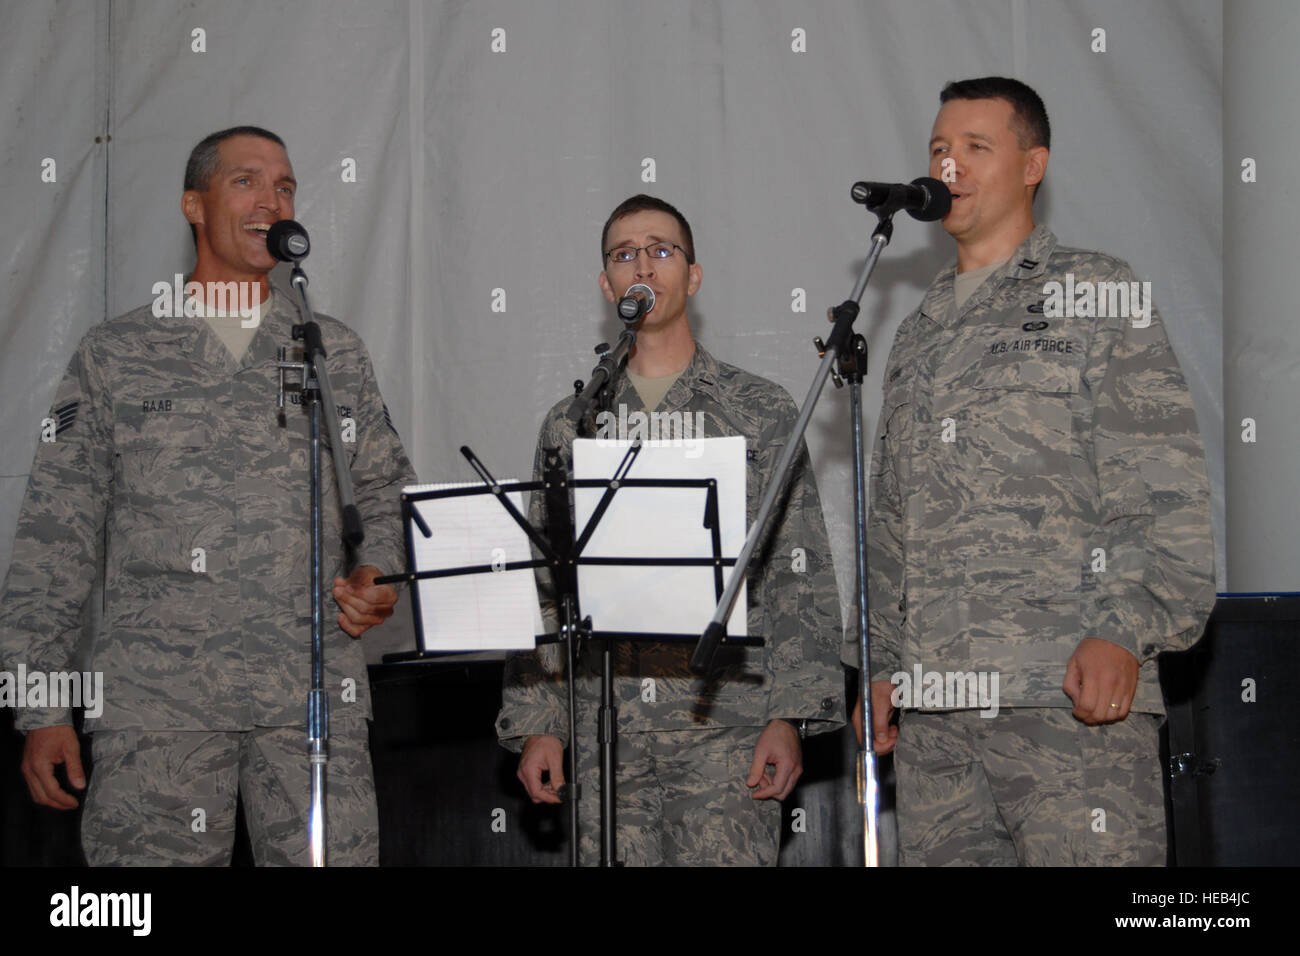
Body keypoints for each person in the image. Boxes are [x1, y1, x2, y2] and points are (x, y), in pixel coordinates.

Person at [0, 126, 415, 866]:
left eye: (285, 186)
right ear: (194, 204)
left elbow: (385, 489)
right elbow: (53, 540)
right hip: (158, 711)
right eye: (247, 181)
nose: (272, 200)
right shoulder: (117, 354)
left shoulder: (331, 351)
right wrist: (40, 705)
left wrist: (376, 574)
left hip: (312, 705)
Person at [848, 77, 1215, 865]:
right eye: (940, 150)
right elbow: (891, 517)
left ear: (1033, 165)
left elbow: (1161, 487)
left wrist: (1124, 628)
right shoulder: (917, 330)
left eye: (977, 148)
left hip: (1065, 700)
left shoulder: (1099, 292)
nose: (950, 167)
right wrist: (877, 666)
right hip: (937, 715)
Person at [497, 195, 844, 866]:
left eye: (662, 251)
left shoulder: (758, 409)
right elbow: (544, 585)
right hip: (606, 729)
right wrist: (540, 723)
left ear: (694, 275)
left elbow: (799, 569)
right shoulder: (572, 423)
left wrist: (790, 714)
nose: (644, 267)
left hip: (727, 723)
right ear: (607, 285)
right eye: (625, 255)